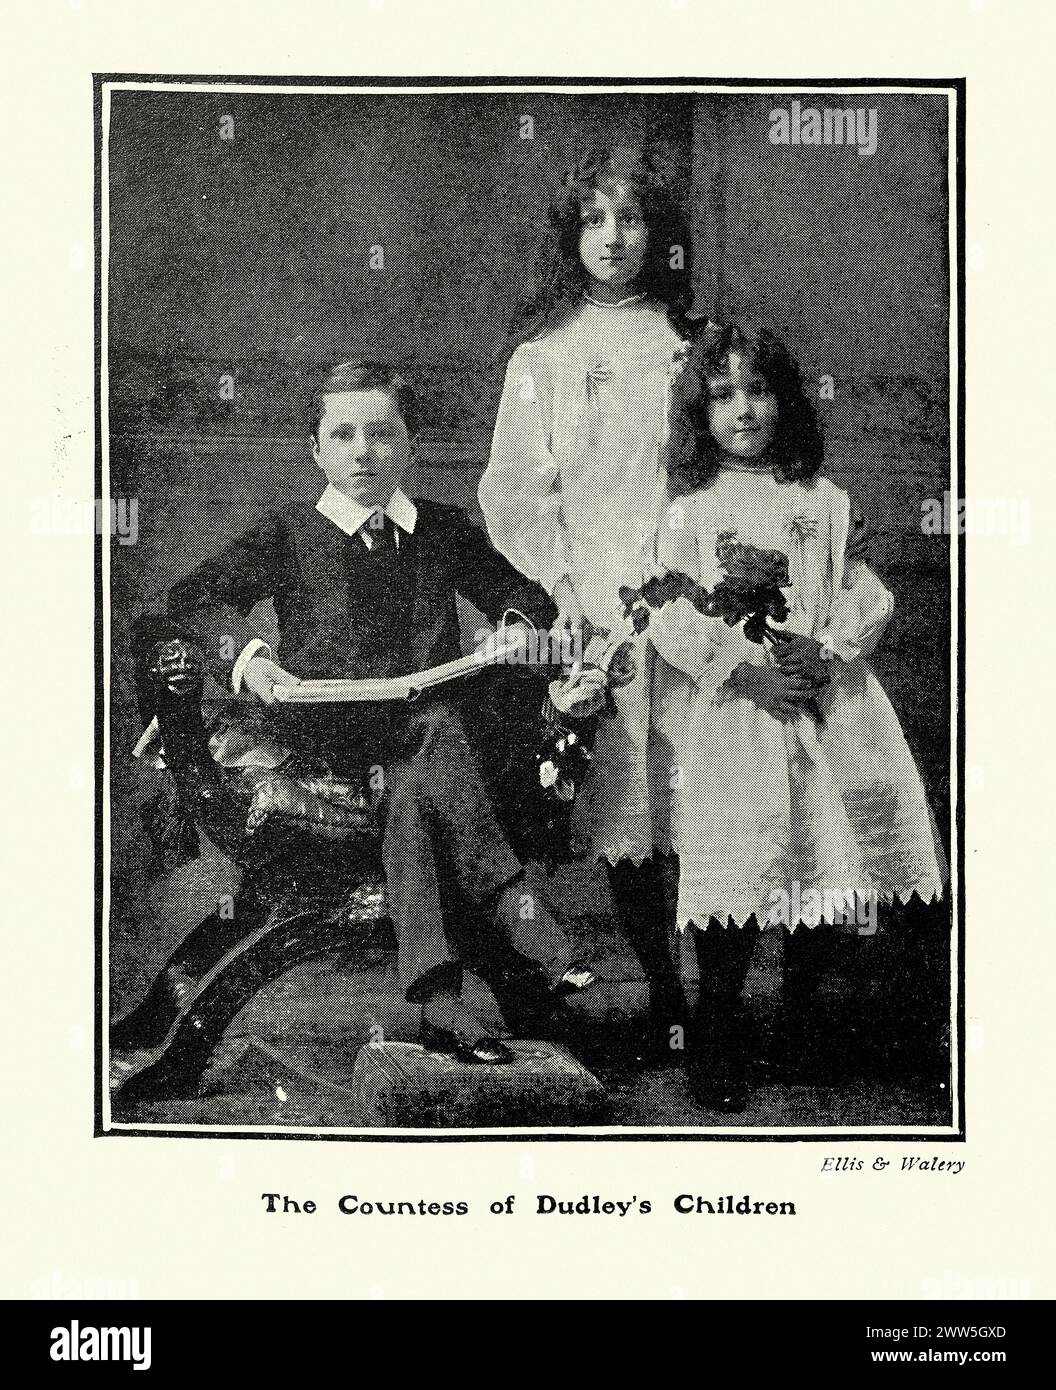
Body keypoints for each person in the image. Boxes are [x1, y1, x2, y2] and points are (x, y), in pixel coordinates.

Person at [163, 360, 595, 1065]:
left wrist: (517, 624)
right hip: (327, 736)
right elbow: (193, 597)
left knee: (418, 782)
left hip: (424, 745)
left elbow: (525, 597)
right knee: (436, 740)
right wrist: (249, 658)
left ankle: (439, 999)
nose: (364, 451)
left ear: (411, 447)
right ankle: (528, 924)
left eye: (383, 434)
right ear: (317, 450)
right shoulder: (290, 532)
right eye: (344, 434)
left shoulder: (443, 529)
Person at [645, 321, 948, 1110]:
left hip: (825, 705)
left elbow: (865, 592)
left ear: (785, 400)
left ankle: (801, 1019)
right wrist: (741, 671)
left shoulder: (824, 500)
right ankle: (716, 1032)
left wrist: (832, 649)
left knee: (824, 858)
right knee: (741, 864)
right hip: (742, 711)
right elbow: (671, 614)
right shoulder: (692, 511)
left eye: (759, 391)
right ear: (699, 412)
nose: (743, 410)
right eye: (722, 395)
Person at [479, 145, 695, 1053]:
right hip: (599, 609)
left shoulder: (692, 345)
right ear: (572, 236)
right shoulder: (545, 356)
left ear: (658, 234)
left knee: (704, 797)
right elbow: (517, 493)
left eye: (632, 219)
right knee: (630, 809)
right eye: (595, 221)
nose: (613, 238)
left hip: (697, 597)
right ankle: (665, 995)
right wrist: (566, 590)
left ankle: (712, 1000)